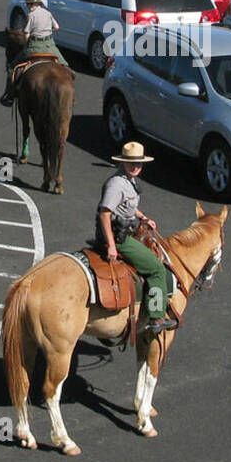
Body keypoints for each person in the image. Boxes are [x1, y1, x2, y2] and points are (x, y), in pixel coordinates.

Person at [95, 141, 175, 337]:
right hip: (120, 237)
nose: (136, 166)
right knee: (156, 267)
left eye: (139, 163)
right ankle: (157, 316)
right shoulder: (117, 184)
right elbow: (105, 213)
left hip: (127, 229)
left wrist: (142, 217)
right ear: (123, 163)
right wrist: (112, 246)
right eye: (131, 163)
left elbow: (127, 207)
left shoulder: (129, 181)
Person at [0, 0, 64, 106]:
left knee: (12, 68)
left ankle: (9, 96)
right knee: (65, 66)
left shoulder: (31, 16)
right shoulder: (48, 13)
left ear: (34, 3)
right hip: (50, 45)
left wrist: (27, 43)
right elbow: (57, 27)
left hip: (34, 46)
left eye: (30, 4)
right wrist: (47, 30)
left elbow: (26, 34)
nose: (29, 6)